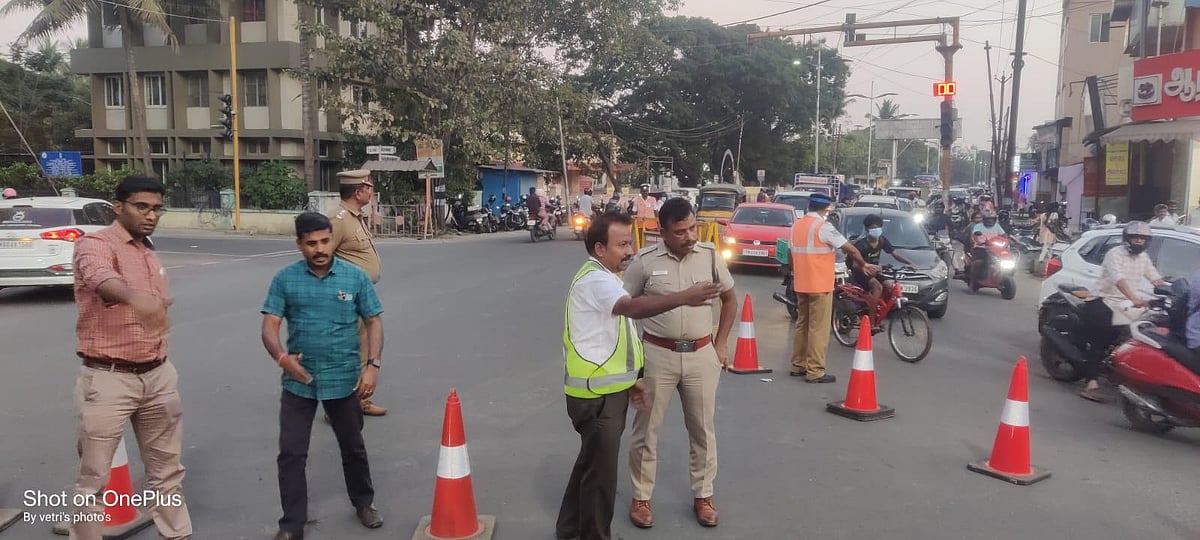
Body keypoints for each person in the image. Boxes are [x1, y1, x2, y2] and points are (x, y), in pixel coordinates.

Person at [556, 212, 720, 540]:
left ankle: (569, 528)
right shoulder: (597, 281)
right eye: (623, 244)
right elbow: (633, 310)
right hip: (596, 397)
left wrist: (632, 381)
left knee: (589, 464)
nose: (630, 250)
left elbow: (619, 339)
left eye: (630, 242)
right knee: (601, 478)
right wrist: (683, 298)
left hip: (605, 390)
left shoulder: (606, 276)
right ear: (600, 248)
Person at [70, 176, 192, 539]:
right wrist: (138, 301)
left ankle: (177, 534)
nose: (151, 215)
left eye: (157, 208)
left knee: (167, 471)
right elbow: (101, 278)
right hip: (109, 379)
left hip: (157, 376)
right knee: (94, 479)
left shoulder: (148, 252)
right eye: (142, 207)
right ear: (118, 206)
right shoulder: (95, 245)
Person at [261, 212, 385, 540]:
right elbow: (270, 325)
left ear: (332, 239)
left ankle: (363, 502)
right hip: (298, 383)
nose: (320, 249)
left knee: (353, 447)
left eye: (325, 241)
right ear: (299, 244)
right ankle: (292, 525)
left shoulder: (354, 277)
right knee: (291, 453)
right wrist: (281, 357)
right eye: (311, 243)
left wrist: (372, 365)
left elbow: (374, 321)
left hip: (344, 381)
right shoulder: (285, 279)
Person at [622, 197, 735, 529]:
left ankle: (703, 495)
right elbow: (625, 309)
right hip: (657, 356)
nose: (689, 236)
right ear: (662, 231)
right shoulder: (643, 262)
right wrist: (633, 360)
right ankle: (641, 498)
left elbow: (730, 299)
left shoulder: (710, 257)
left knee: (702, 429)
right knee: (646, 430)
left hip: (702, 356)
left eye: (692, 228)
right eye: (680, 231)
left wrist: (721, 344)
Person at [790, 193, 876, 383]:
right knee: (818, 329)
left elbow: (792, 253)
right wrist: (863, 265)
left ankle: (798, 365)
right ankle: (815, 371)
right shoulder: (823, 227)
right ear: (826, 209)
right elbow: (851, 249)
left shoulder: (797, 225)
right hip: (819, 284)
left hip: (801, 283)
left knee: (802, 325)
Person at [1083, 221, 1168, 402]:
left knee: (1132, 337)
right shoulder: (1115, 254)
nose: (1138, 241)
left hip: (1126, 305)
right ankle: (1091, 383)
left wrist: (1171, 292)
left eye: (1142, 238)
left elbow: (1155, 278)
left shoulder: (1143, 258)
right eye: (1135, 237)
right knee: (1101, 339)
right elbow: (1118, 280)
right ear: (1126, 238)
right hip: (1103, 300)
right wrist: (1135, 299)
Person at [328, 169, 387, 417]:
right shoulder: (338, 219)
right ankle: (335, 408)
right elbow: (323, 258)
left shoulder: (355, 217)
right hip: (345, 295)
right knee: (345, 350)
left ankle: (360, 400)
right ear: (357, 191)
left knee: (364, 346)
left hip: (361, 293)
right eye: (369, 188)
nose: (371, 192)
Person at [853, 214, 915, 332]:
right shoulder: (861, 245)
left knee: (889, 286)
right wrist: (870, 267)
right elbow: (855, 265)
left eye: (878, 227)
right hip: (861, 273)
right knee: (878, 287)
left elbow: (894, 253)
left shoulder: (882, 240)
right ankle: (871, 323)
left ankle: (879, 312)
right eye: (873, 227)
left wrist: (909, 263)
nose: (876, 230)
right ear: (867, 230)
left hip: (875, 272)